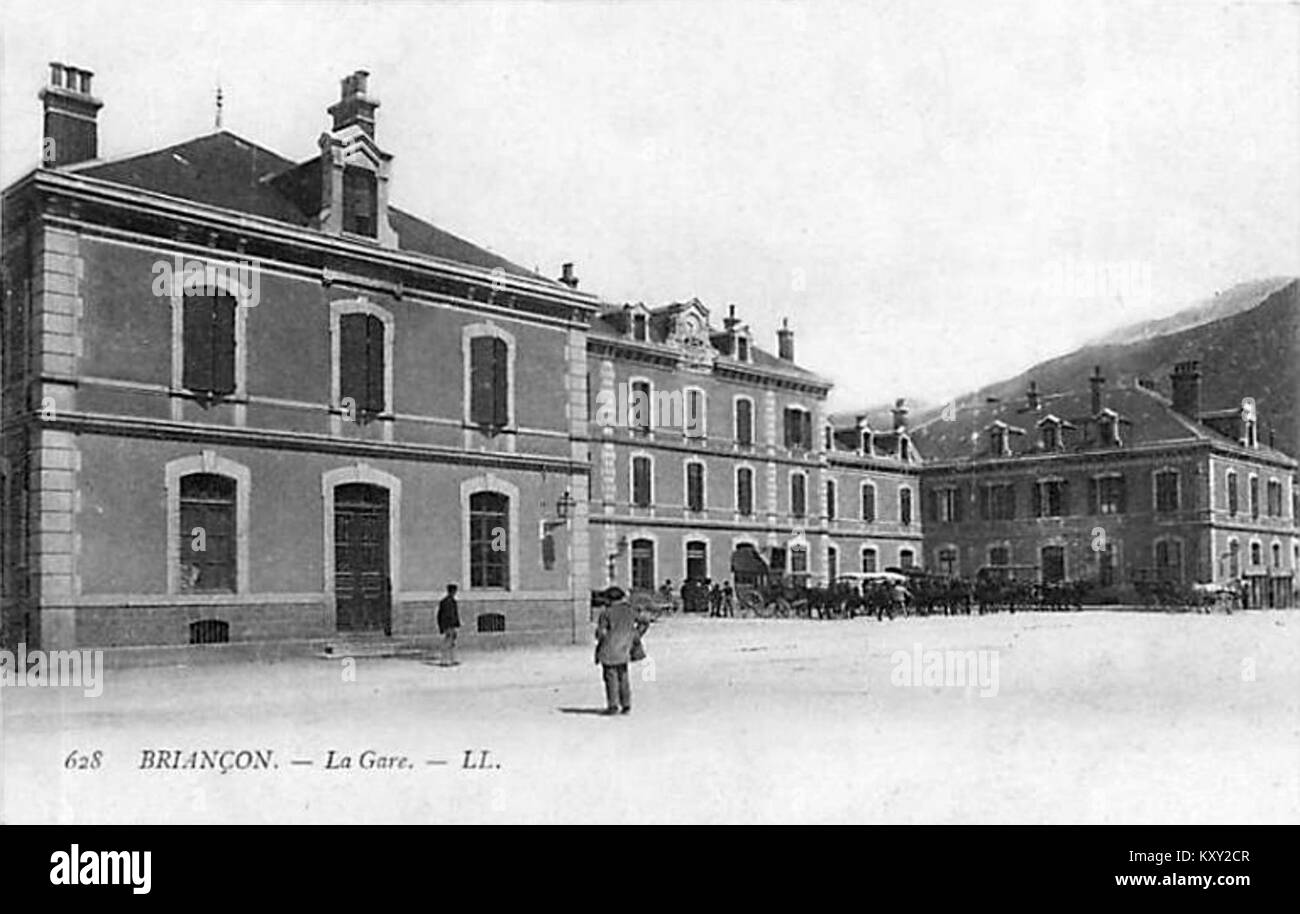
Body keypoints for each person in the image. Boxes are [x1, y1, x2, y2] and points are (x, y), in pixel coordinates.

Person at [594, 586, 651, 715]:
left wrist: (599, 638)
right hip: (625, 647)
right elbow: (645, 622)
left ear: (609, 599)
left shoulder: (606, 613)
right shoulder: (630, 610)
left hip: (609, 648)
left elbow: (601, 633)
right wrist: (636, 635)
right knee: (623, 677)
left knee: (610, 677)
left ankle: (613, 705)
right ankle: (626, 704)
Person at [437, 583, 460, 666]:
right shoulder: (447, 602)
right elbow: (445, 615)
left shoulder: (450, 601)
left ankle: (452, 659)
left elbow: (455, 614)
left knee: (452, 643)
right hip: (449, 625)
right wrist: (444, 626)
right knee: (448, 643)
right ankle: (445, 660)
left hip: (450, 625)